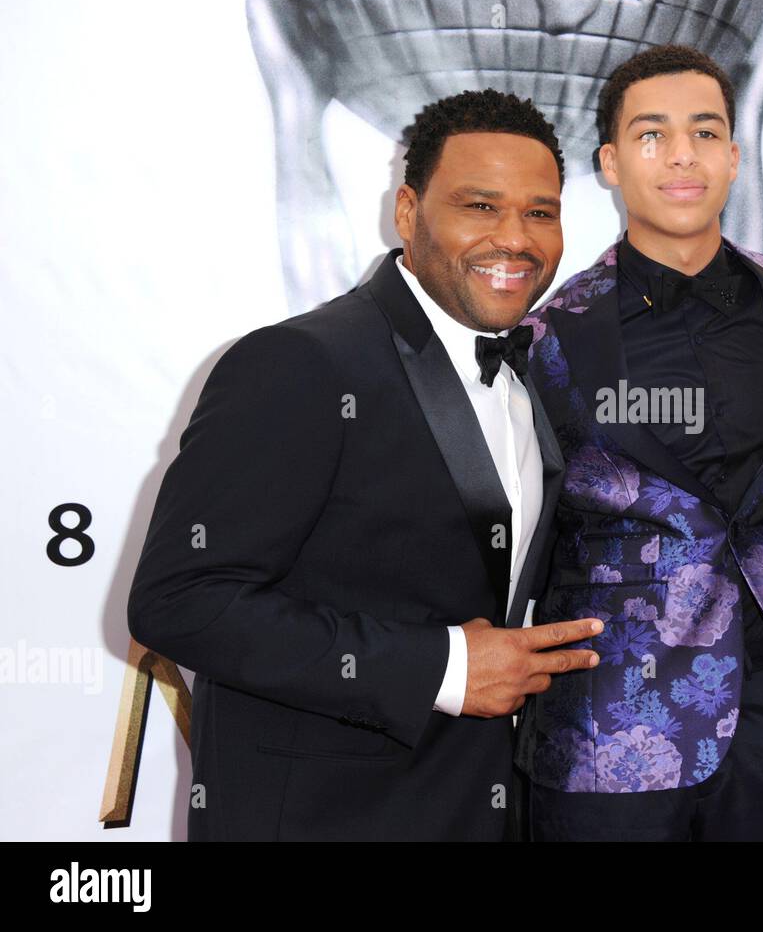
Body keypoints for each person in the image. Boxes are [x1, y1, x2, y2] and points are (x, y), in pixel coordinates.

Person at [127, 89, 603, 840]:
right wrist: (443, 667)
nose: (516, 237)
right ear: (408, 212)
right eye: (480, 206)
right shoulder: (300, 363)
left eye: (540, 212)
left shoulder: (529, 373)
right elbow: (180, 599)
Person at [516, 45, 763, 841]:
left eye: (705, 132)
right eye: (653, 135)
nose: (682, 154)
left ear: (733, 154)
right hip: (605, 733)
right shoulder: (548, 334)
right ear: (611, 163)